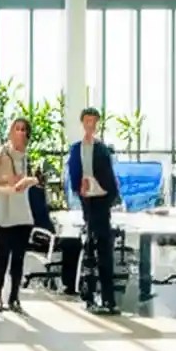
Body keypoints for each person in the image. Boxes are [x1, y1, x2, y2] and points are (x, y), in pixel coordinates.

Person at [67, 107, 122, 315]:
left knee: (103, 250)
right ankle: (89, 295)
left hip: (101, 203)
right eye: (87, 121)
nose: (90, 125)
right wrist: (79, 188)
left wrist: (105, 193)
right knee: (90, 248)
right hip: (87, 203)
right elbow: (74, 174)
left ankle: (108, 298)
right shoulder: (76, 149)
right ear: (83, 123)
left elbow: (109, 178)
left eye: (93, 121)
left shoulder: (102, 149)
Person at [0, 118, 38, 314]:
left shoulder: (25, 157)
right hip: (6, 209)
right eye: (17, 129)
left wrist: (29, 181)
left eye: (24, 129)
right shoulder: (1, 154)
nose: (21, 133)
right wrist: (7, 184)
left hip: (22, 211)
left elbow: (32, 179)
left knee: (19, 257)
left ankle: (14, 297)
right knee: (3, 254)